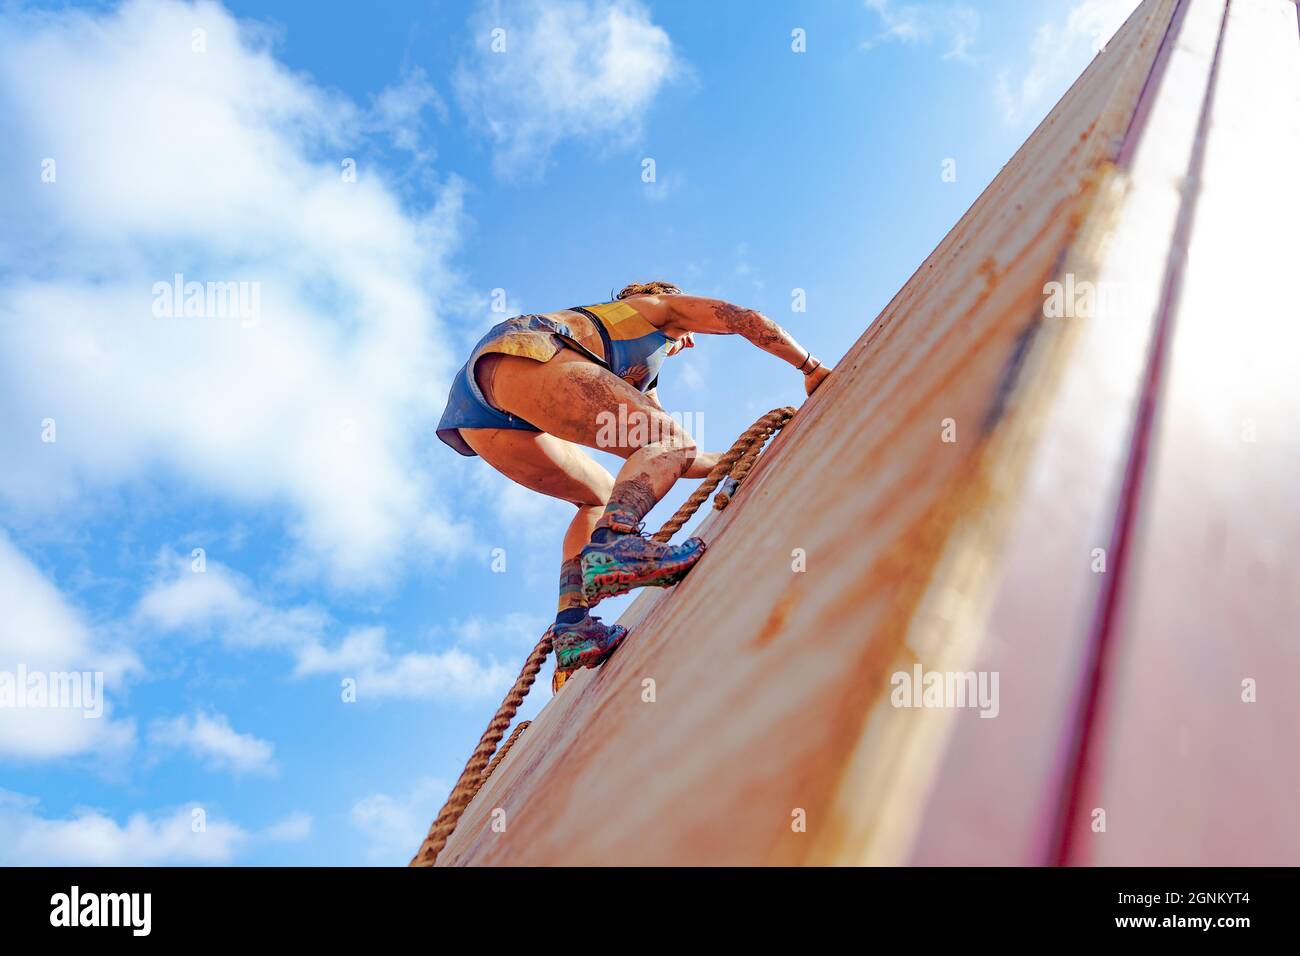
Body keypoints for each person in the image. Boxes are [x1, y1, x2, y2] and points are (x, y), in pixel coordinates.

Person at [436, 281, 832, 682]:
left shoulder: (640, 377)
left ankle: (574, 625)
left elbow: (674, 456)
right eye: (690, 335)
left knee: (600, 498)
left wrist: (735, 455)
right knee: (668, 440)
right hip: (528, 351)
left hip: (478, 417)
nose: (691, 343)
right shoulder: (658, 308)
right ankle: (615, 542)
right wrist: (810, 367)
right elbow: (743, 319)